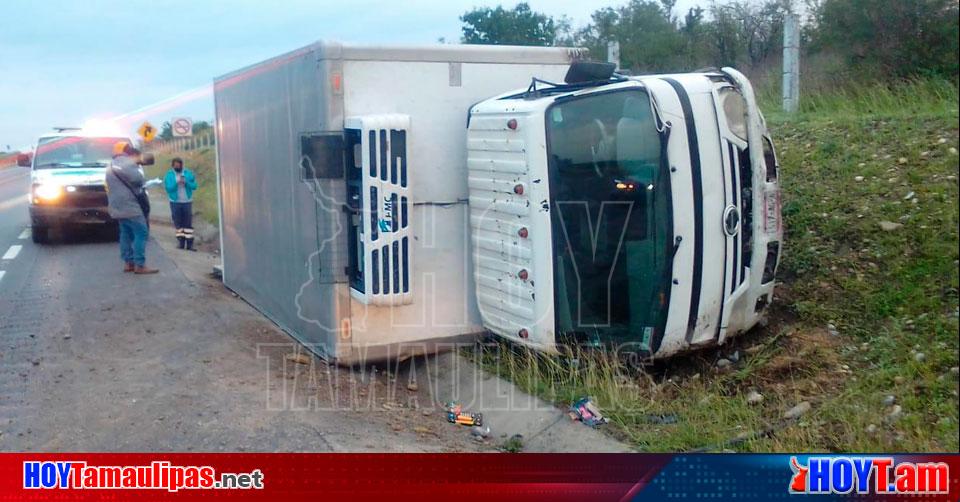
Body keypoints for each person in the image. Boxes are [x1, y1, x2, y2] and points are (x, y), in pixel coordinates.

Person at [105, 141, 158, 274]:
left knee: (125, 234)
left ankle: (128, 263)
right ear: (126, 151)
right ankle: (140, 265)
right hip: (130, 206)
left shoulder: (111, 164)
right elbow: (138, 179)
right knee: (142, 233)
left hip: (116, 206)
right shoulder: (126, 163)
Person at [163, 158, 198, 250]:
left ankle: (190, 244)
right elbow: (168, 188)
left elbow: (194, 186)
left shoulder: (188, 173)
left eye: (179, 165)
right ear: (172, 166)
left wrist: (186, 182)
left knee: (188, 223)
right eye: (175, 166)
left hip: (187, 201)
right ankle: (181, 242)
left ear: (182, 165)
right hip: (175, 202)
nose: (177, 167)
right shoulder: (169, 175)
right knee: (178, 223)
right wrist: (176, 183)